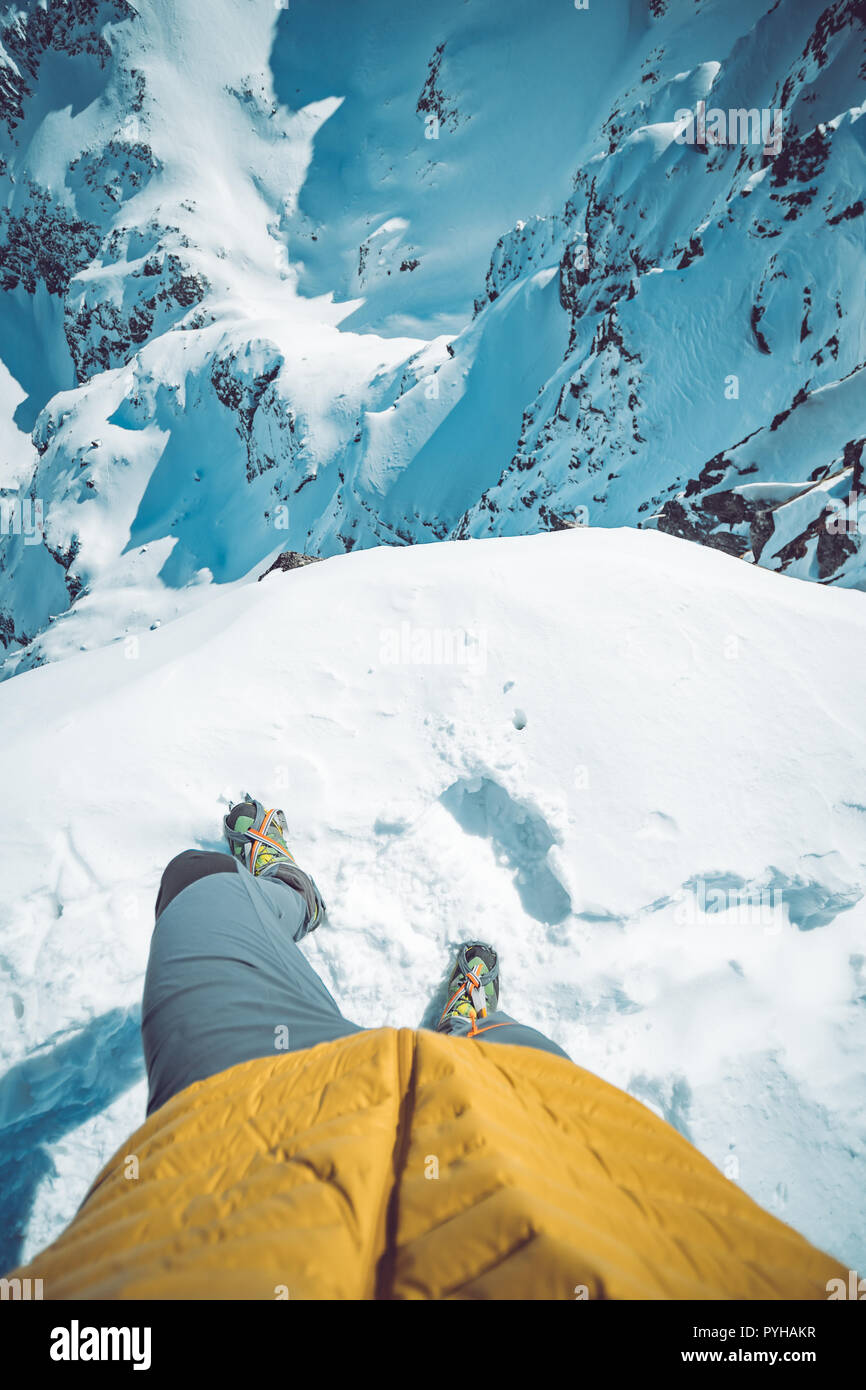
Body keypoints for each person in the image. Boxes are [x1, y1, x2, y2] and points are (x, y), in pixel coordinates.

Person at [5, 798, 845, 1300]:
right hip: (542, 1132)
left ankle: (286, 892)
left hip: (240, 1120)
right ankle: (466, 1024)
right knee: (506, 1046)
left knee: (199, 884)